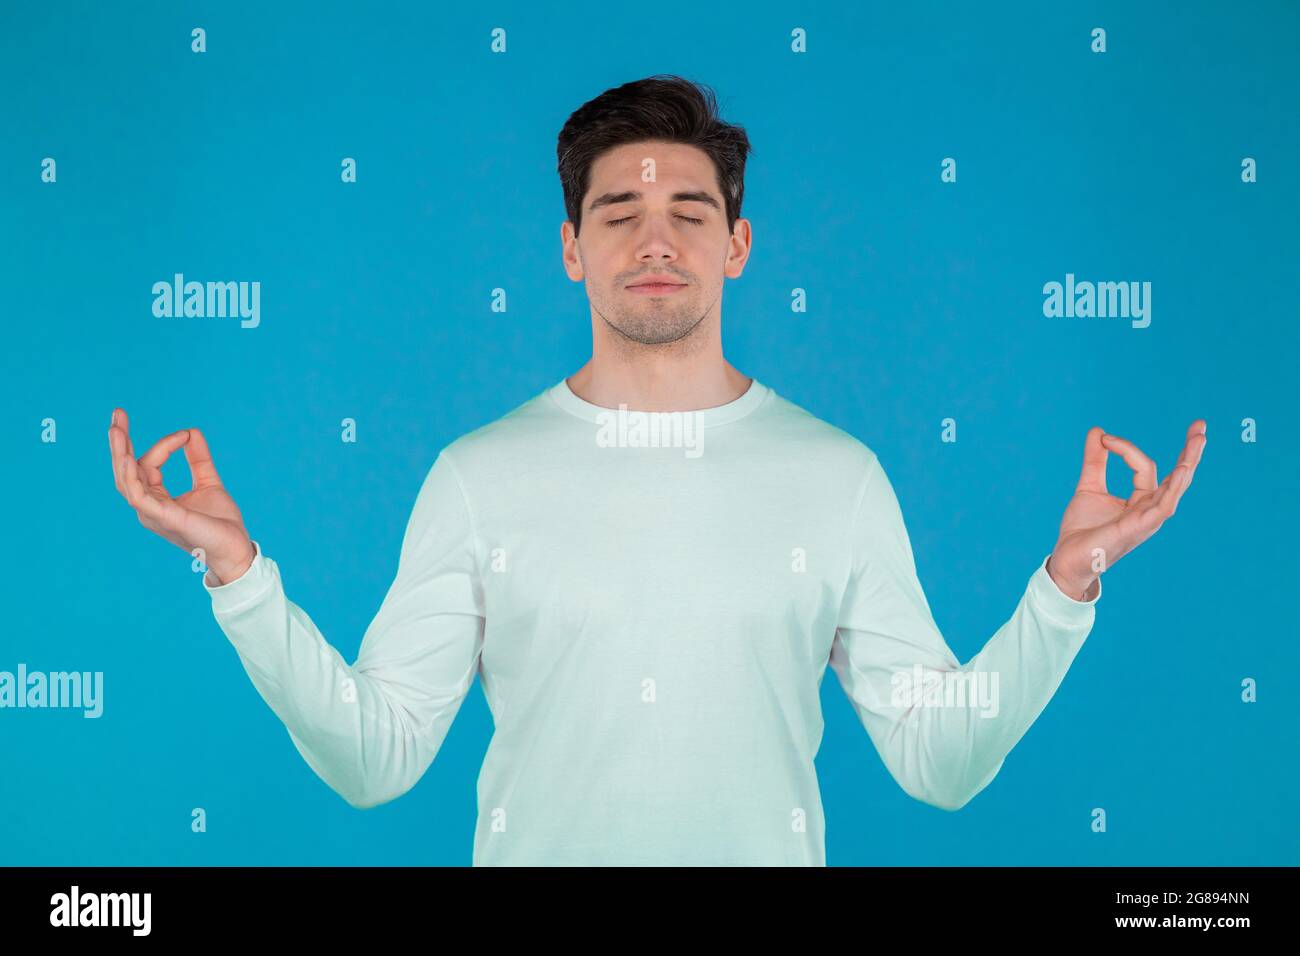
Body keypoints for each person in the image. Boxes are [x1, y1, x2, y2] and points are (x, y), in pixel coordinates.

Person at [107, 75, 1206, 866]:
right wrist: (241, 577)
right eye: (616, 214)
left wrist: (1063, 590)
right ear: (570, 249)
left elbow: (940, 761)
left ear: (737, 243)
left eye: (689, 212)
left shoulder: (838, 476)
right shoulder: (476, 475)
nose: (655, 242)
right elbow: (374, 757)